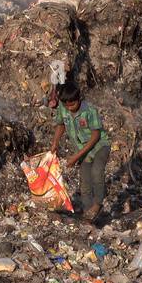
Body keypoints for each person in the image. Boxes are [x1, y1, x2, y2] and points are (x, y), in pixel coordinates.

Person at [50, 83, 111, 220]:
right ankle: (89, 214)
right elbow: (61, 125)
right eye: (67, 106)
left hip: (99, 146)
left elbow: (96, 136)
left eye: (73, 105)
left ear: (79, 99)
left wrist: (76, 156)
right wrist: (55, 142)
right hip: (82, 152)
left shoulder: (90, 111)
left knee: (96, 172)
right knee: (85, 184)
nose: (70, 108)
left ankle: (98, 204)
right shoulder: (63, 108)